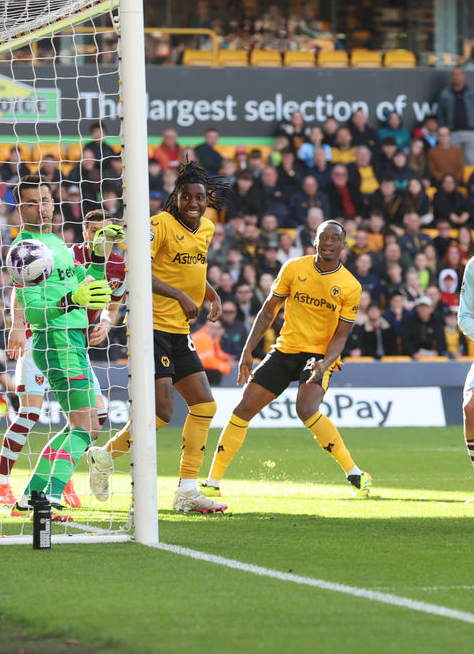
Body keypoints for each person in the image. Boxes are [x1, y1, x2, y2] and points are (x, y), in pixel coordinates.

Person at [90, 161, 230, 514]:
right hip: (150, 327)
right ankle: (106, 456)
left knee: (205, 406)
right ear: (176, 198)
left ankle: (187, 491)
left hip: (179, 330)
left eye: (199, 197)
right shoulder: (159, 225)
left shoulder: (207, 228)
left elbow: (191, 267)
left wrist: (210, 293)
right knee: (163, 413)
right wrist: (180, 296)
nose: (194, 203)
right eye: (187, 197)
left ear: (207, 200)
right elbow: (138, 269)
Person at [202, 220, 371, 497]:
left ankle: (354, 473)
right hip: (285, 350)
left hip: (317, 355)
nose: (328, 243)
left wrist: (326, 362)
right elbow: (268, 311)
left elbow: (341, 336)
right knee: (243, 408)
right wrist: (247, 351)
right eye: (323, 237)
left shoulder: (350, 286)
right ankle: (212, 483)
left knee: (306, 409)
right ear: (315, 241)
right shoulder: (294, 267)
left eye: (334, 239)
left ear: (343, 245)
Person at [4, 177, 120, 521]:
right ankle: (48, 499)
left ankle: (31, 497)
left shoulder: (55, 241)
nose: (41, 207)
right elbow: (34, 313)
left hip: (72, 341)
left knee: (81, 426)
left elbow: (87, 282)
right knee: (86, 427)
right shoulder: (25, 249)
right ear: (20, 209)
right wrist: (71, 300)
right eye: (32, 202)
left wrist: (99, 254)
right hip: (56, 342)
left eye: (45, 200)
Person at [435, 67, 474, 165]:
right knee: (454, 162)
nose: (456, 77)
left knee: (470, 161)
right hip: (453, 133)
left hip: (472, 132)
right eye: (454, 75)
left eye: (459, 74)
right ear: (451, 78)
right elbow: (440, 114)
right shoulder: (445, 94)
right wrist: (445, 132)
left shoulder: (473, 92)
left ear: (463, 76)